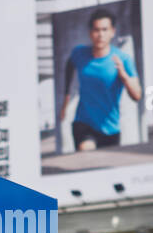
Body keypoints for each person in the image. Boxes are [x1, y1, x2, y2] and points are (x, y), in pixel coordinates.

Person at [60, 8, 143, 150]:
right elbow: (70, 65)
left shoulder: (123, 59)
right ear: (90, 33)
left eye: (105, 30)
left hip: (111, 128)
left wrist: (124, 77)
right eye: (96, 30)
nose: (100, 35)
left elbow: (137, 95)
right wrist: (66, 98)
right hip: (84, 124)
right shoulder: (79, 53)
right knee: (87, 154)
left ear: (112, 32)